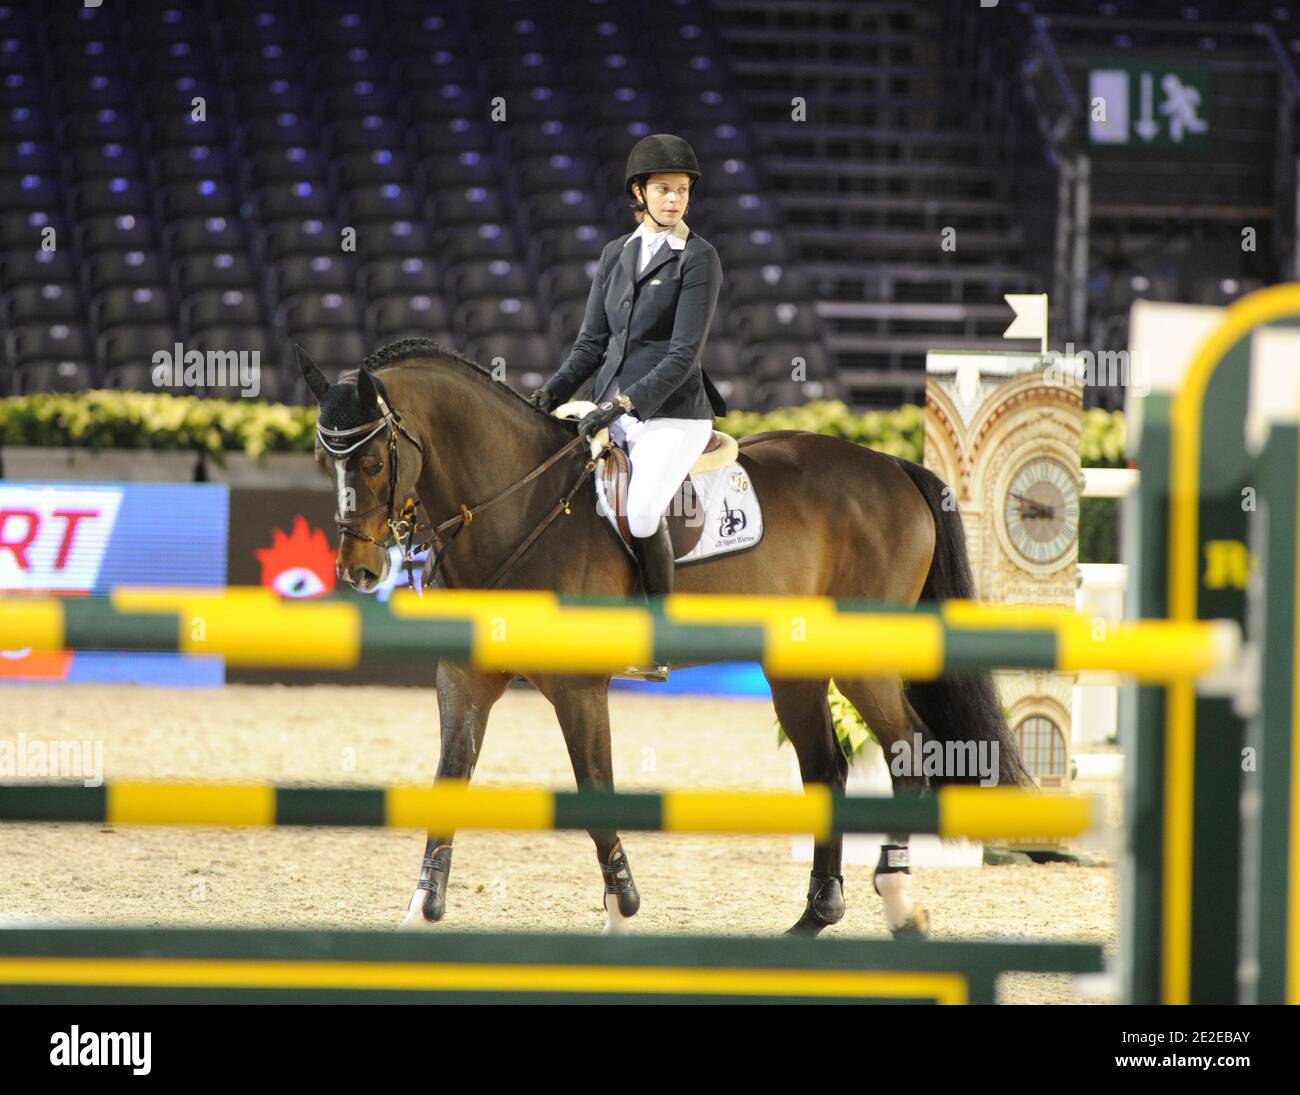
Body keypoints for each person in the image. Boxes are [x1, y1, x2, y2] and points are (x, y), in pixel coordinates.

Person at [528, 133, 728, 598]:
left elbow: (683, 356)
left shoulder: (699, 258)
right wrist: (551, 394)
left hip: (672, 414)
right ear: (639, 193)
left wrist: (621, 404)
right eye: (664, 189)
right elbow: (591, 344)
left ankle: (658, 636)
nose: (675, 199)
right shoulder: (615, 253)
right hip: (610, 408)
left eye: (683, 189)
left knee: (640, 511)